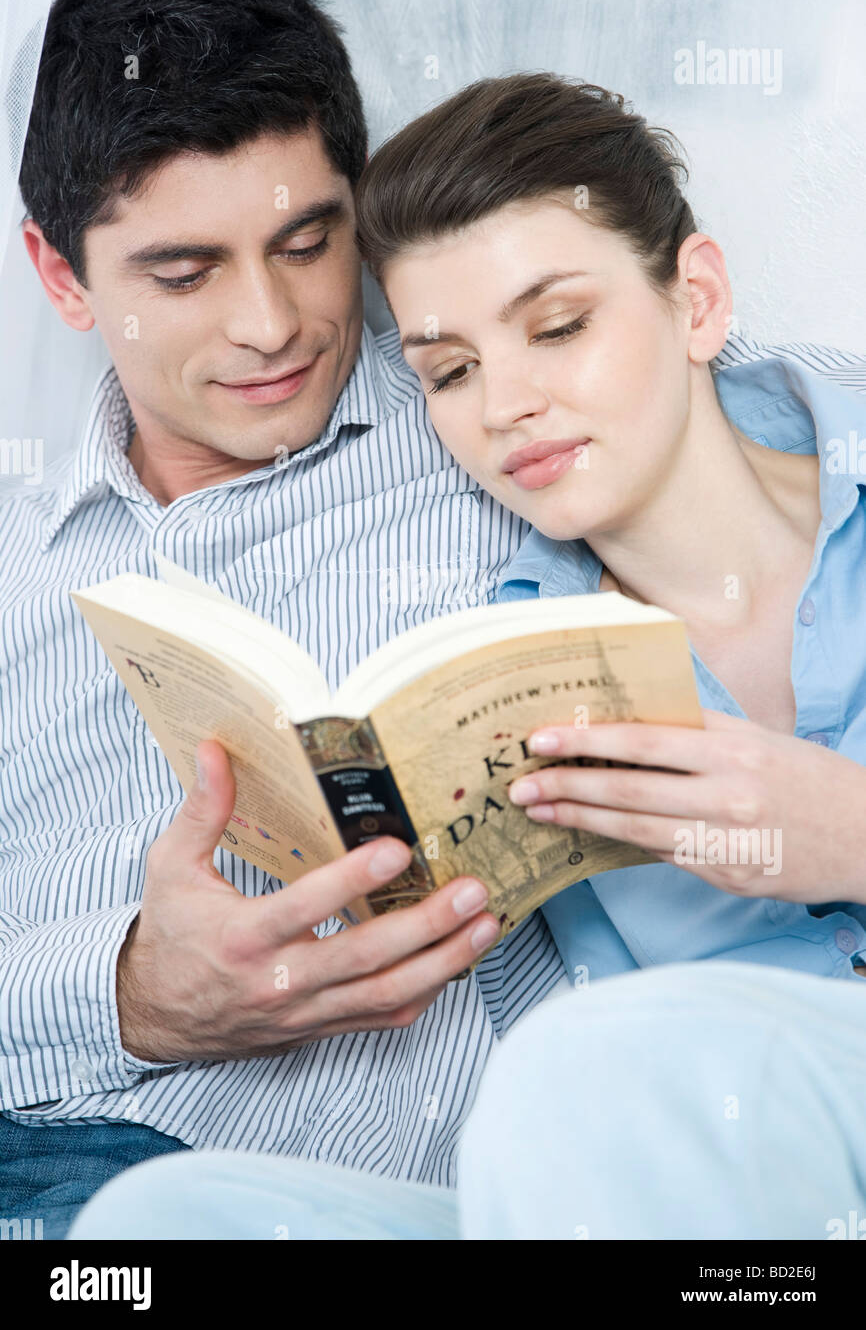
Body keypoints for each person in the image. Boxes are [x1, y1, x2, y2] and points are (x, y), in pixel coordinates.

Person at [69, 73, 866, 1239]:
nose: (508, 404)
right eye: (448, 370)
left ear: (694, 302)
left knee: (587, 1068)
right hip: (685, 1192)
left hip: (689, 1103)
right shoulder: (503, 643)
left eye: (557, 327)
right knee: (169, 1217)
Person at [1, 0, 564, 1241]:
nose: (272, 323)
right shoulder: (13, 564)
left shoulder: (500, 427)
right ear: (61, 274)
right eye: (185, 274)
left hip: (273, 1193)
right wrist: (132, 987)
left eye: (309, 243)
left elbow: (783, 424)